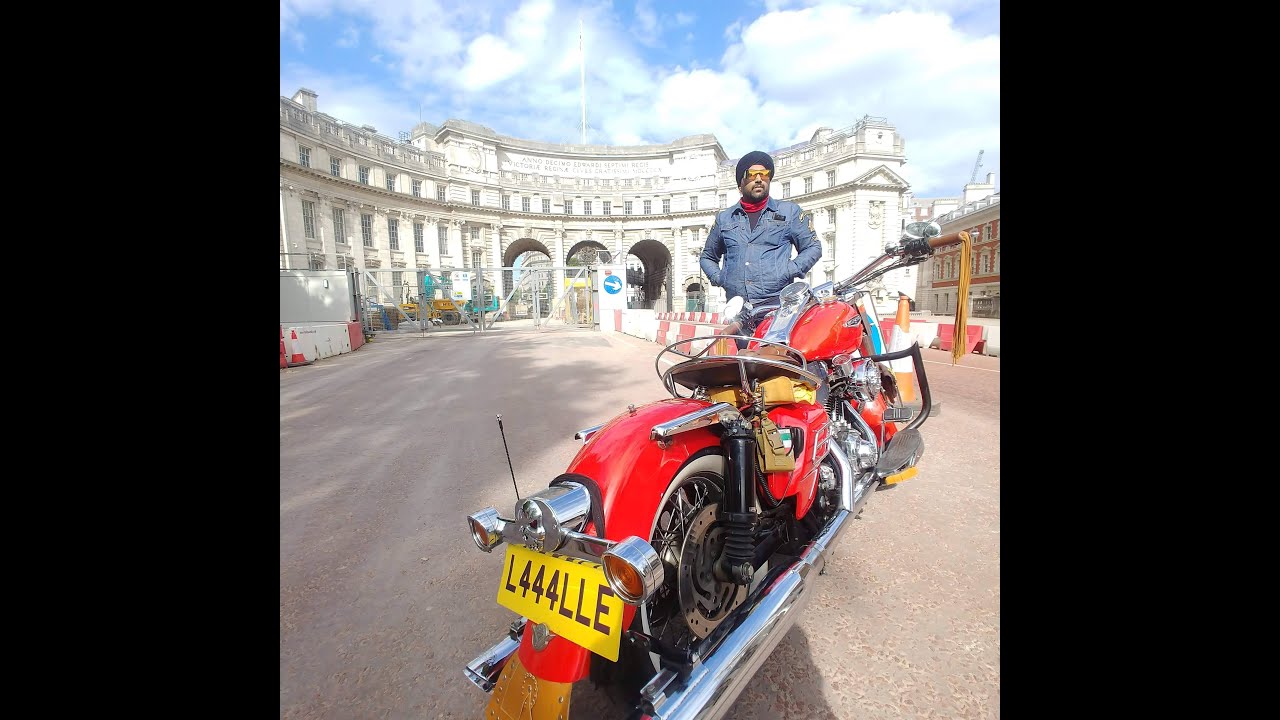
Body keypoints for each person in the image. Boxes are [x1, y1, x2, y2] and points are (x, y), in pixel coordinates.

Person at [699, 150, 821, 334]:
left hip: (777, 307)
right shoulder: (724, 219)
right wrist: (720, 277)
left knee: (776, 359)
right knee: (745, 360)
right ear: (740, 183)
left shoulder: (790, 212)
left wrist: (789, 270)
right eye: (751, 175)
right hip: (739, 310)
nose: (758, 179)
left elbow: (813, 247)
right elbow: (707, 257)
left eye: (764, 174)